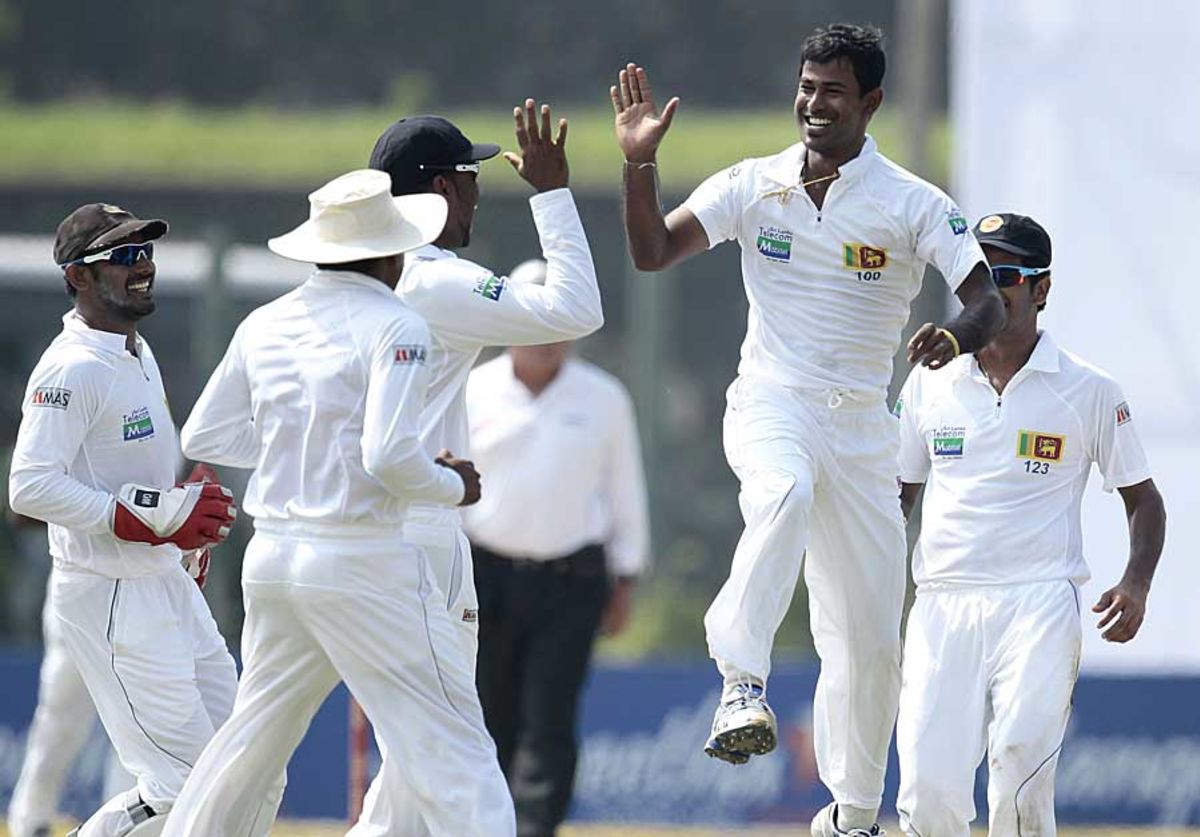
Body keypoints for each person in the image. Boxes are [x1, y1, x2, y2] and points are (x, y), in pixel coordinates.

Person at [610, 22, 1005, 836]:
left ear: (872, 102)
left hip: (865, 430)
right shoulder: (755, 184)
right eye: (806, 86)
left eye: (833, 90)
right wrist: (638, 163)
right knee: (781, 492)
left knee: (868, 643)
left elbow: (988, 297)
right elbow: (652, 251)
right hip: (771, 401)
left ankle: (852, 815)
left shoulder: (911, 202)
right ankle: (741, 684)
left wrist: (956, 337)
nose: (813, 104)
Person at [160, 169, 515, 837]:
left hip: (272, 560)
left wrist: (305, 453)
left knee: (252, 740)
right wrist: (451, 485)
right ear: (389, 251)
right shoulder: (398, 324)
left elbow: (203, 433)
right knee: (459, 752)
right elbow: (387, 455)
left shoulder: (265, 321)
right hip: (361, 560)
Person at [346, 104, 603, 837]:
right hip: (419, 532)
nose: (479, 191)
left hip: (352, 529)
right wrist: (552, 193)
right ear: (438, 189)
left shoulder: (353, 274)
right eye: (470, 175)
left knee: (411, 753)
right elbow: (575, 309)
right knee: (456, 741)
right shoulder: (434, 281)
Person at [894, 213, 1166, 836]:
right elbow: (897, 495)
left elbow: (1143, 499)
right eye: (980, 276)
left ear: (1041, 290)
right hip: (942, 601)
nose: (993, 290)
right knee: (929, 789)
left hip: (1039, 601)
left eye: (1007, 276)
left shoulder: (1088, 388)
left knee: (1018, 765)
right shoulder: (930, 380)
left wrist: (1136, 583)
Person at [7, 203, 240, 837]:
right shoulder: (70, 366)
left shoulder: (135, 349)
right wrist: (138, 522)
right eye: (122, 257)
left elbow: (137, 471)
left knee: (240, 765)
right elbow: (27, 487)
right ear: (78, 278)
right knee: (183, 785)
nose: (142, 267)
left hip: (164, 581)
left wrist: (179, 518)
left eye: (144, 253)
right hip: (110, 593)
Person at [458, 258, 647, 837]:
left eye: (555, 322)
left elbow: (625, 492)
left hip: (573, 580)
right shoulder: (473, 389)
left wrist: (628, 578)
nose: (544, 338)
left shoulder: (604, 397)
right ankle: (483, 825)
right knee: (486, 712)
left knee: (551, 714)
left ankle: (535, 827)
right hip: (482, 573)